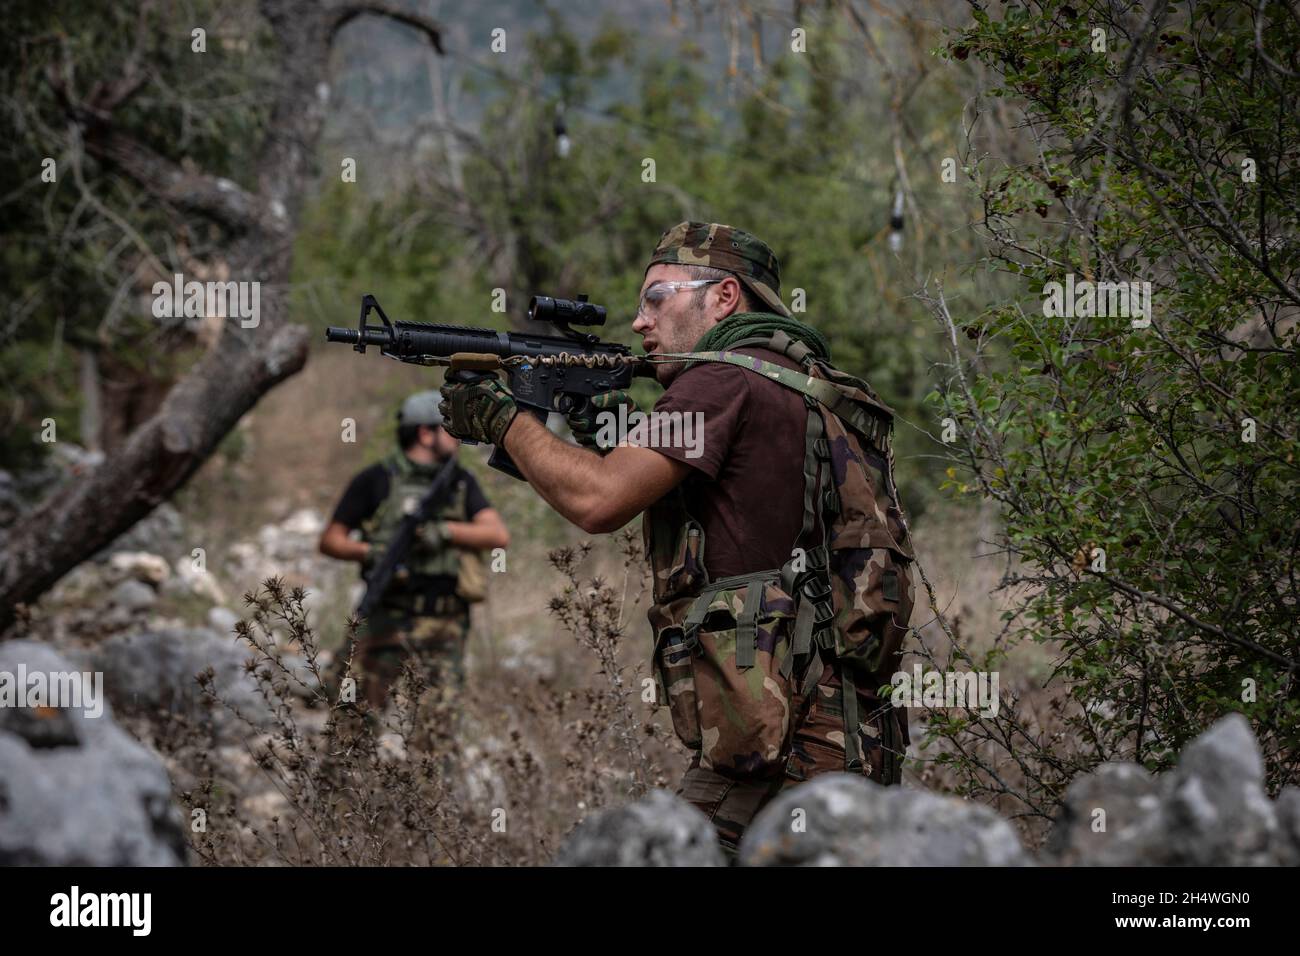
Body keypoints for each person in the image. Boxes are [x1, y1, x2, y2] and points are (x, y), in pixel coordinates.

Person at [438, 222, 915, 853]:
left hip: (788, 744)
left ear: (722, 298)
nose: (640, 322)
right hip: (849, 731)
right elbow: (666, 484)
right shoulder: (806, 387)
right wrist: (594, 430)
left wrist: (503, 420)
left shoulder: (721, 380)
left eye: (657, 297)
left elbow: (599, 500)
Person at [318, 390, 509, 716]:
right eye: (450, 428)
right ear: (425, 433)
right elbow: (331, 540)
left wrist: (444, 531)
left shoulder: (460, 482)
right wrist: (372, 551)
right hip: (386, 614)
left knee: (436, 732)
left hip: (444, 623)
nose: (460, 438)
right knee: (354, 719)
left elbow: (496, 534)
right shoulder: (375, 479)